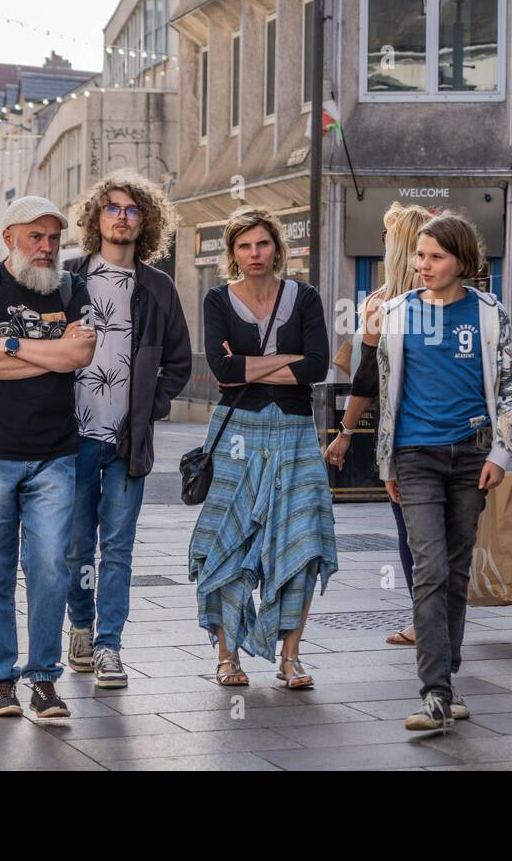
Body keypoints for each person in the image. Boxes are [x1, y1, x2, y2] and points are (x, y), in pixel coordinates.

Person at [377, 212, 512, 731]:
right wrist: (386, 462)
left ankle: (449, 681)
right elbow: (386, 393)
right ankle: (435, 692)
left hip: (471, 457)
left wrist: (499, 455)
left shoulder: (489, 313)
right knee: (431, 569)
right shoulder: (397, 314)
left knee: (457, 573)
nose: (423, 265)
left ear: (462, 261)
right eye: (420, 255)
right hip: (415, 457)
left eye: (436, 257)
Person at [0, 196, 96, 719]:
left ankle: (44, 679)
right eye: (36, 237)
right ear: (9, 236)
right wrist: (47, 355)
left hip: (54, 453)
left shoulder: (71, 288)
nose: (47, 247)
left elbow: (80, 356)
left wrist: (9, 345)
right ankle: (1, 679)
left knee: (51, 570)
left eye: (54, 238)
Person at [190, 206, 337, 689]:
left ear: (278, 247)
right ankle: (227, 657)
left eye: (263, 244)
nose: (255, 254)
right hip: (237, 434)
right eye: (244, 246)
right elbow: (222, 370)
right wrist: (284, 360)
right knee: (228, 542)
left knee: (303, 540)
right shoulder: (216, 300)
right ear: (232, 253)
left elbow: (318, 366)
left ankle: (291, 658)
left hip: (295, 430)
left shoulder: (306, 296)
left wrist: (250, 363)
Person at [63, 171, 192, 689]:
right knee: (73, 547)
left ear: (147, 221)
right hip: (69, 440)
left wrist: (147, 410)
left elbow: (178, 363)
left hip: (127, 443)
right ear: (96, 218)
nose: (121, 216)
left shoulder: (157, 287)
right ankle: (81, 624)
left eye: (132, 210)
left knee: (117, 546)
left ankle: (110, 647)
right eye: (112, 208)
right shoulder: (67, 279)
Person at [323, 202, 433, 646]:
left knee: (411, 531)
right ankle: (441, 618)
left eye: (388, 237)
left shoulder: (380, 305)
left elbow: (366, 381)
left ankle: (425, 621)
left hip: (403, 437)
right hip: (453, 434)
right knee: (443, 534)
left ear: (398, 247)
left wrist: (345, 434)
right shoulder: (453, 301)